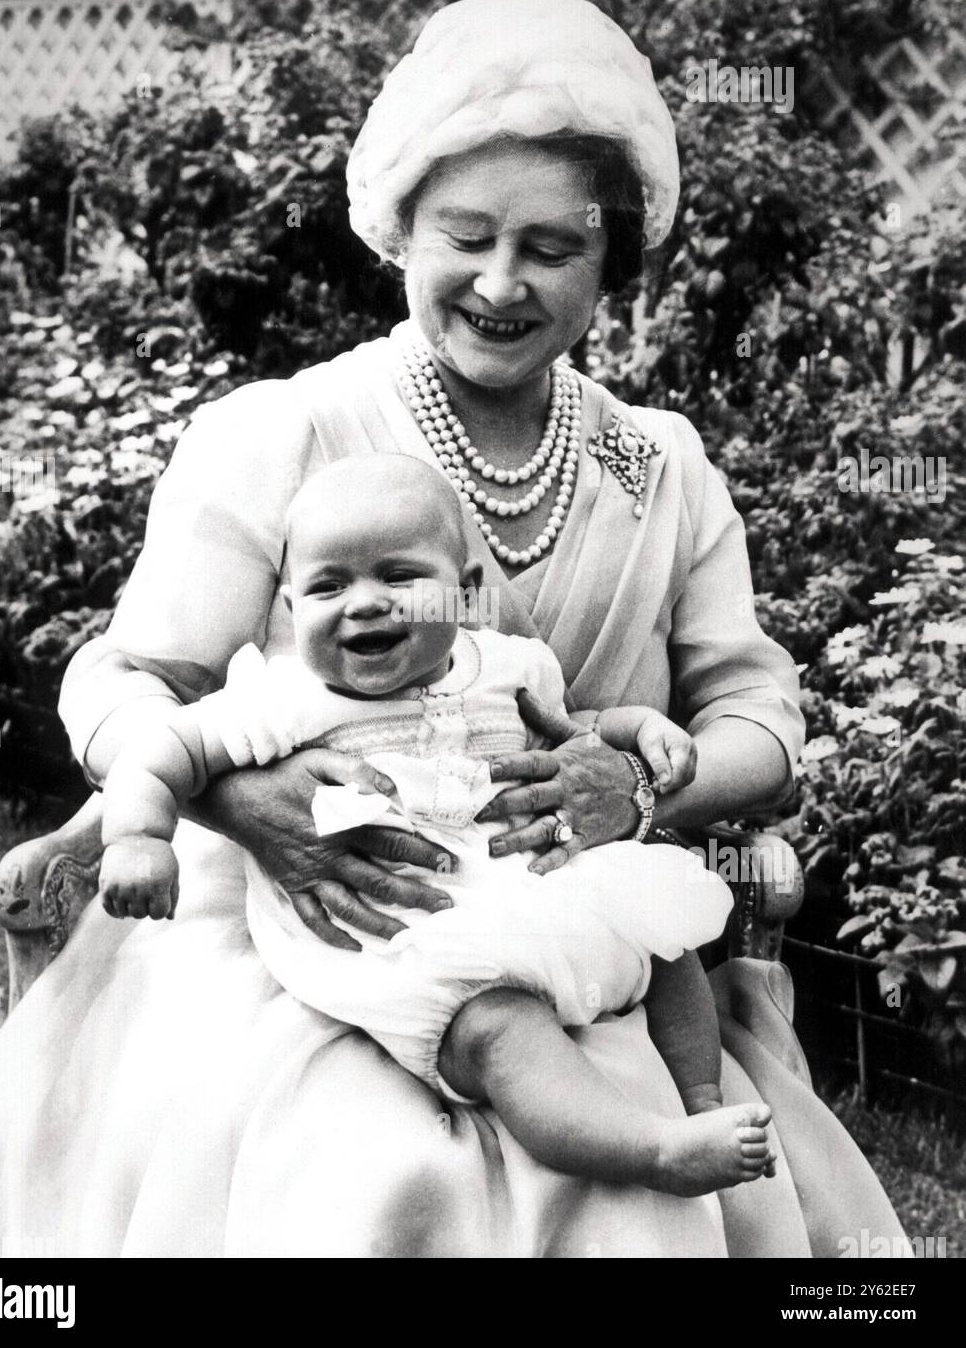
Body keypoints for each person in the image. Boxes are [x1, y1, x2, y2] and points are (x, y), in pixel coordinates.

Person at [0, 0, 907, 1257]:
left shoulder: (653, 466)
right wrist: (240, 805)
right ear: (400, 233)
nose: (501, 282)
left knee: (640, 1159)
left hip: (576, 937)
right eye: (467, 236)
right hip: (314, 943)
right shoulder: (283, 432)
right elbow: (127, 680)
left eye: (552, 248)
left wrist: (645, 790)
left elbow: (760, 721)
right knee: (367, 1172)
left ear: (613, 262)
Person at [97, 452, 776, 1197]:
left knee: (665, 941)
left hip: (535, 884)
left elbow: (570, 728)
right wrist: (137, 837)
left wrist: (639, 727)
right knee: (498, 1033)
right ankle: (650, 1151)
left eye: (398, 577)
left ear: (468, 592)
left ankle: (705, 1101)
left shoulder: (509, 667)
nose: (362, 603)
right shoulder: (284, 697)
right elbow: (163, 751)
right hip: (412, 922)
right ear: (291, 610)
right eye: (328, 585)